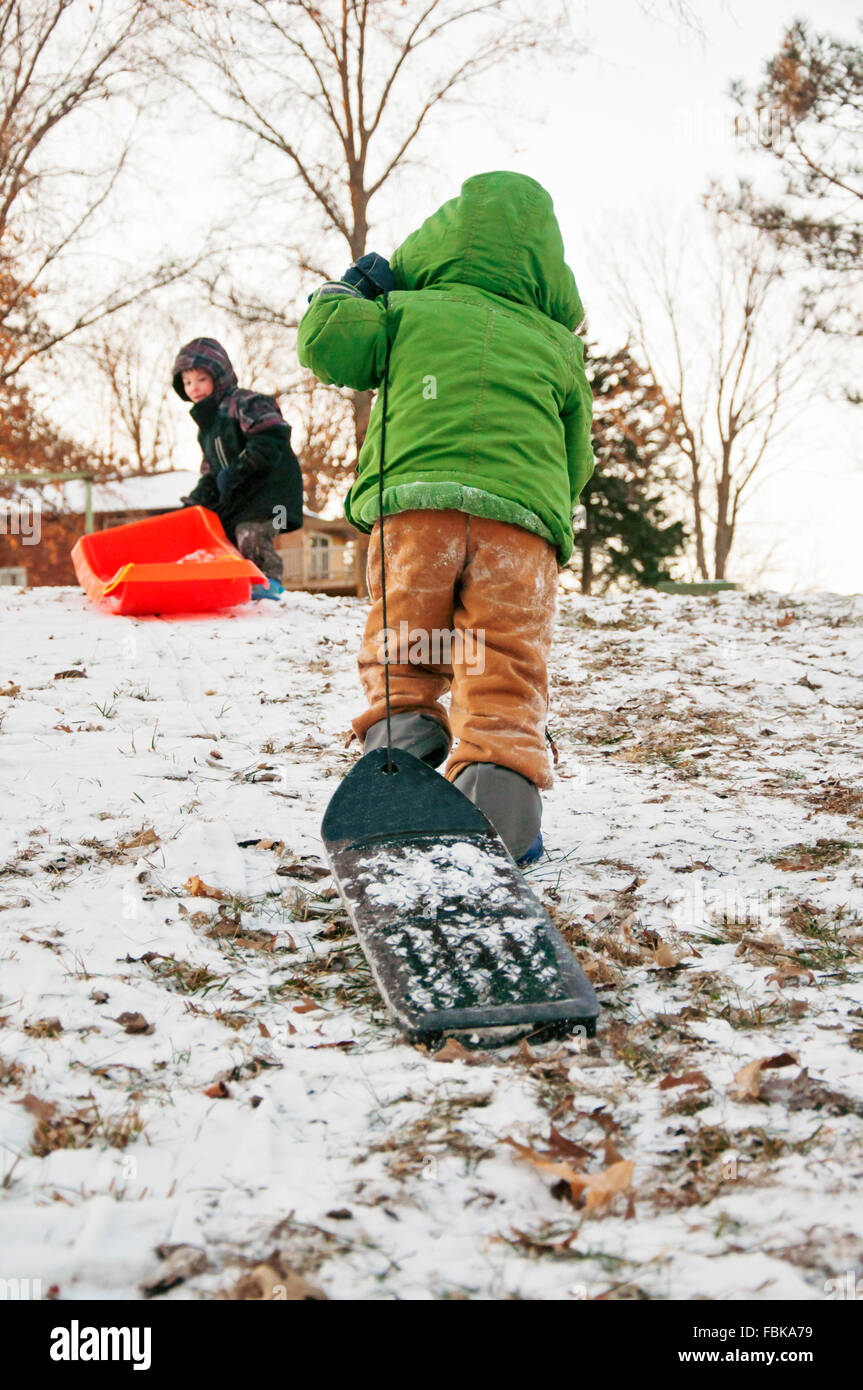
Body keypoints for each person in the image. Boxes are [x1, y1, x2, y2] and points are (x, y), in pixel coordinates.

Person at [297, 171, 594, 863]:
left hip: (416, 512)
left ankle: (400, 740)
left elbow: (328, 344)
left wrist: (350, 290)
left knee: (406, 638)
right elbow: (576, 459)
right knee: (504, 664)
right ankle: (501, 798)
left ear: (440, 243)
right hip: (519, 527)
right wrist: (541, 506)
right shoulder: (557, 347)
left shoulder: (406, 312)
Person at [172, 337, 304, 599]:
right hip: (244, 498)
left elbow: (272, 436)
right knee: (226, 535)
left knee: (252, 532)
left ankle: (268, 583)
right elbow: (212, 472)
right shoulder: (207, 429)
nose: (193, 387)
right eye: (187, 382)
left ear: (218, 377)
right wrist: (198, 500)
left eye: (201, 379)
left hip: (276, 497)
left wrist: (238, 469)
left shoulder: (244, 402)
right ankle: (236, 581)